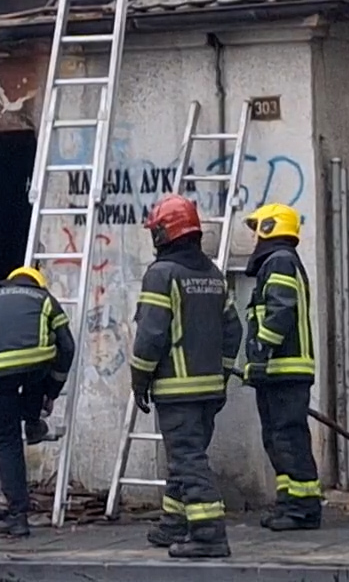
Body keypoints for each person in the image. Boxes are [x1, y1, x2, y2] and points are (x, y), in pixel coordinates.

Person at [130, 194, 243, 558]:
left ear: (165, 234)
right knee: (186, 456)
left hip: (176, 390)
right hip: (209, 389)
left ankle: (208, 534)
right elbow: (234, 330)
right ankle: (175, 524)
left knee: (187, 460)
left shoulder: (162, 274)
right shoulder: (213, 275)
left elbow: (150, 336)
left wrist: (139, 379)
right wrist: (222, 374)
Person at [0, 264, 76, 538]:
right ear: (37, 283)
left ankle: (18, 518)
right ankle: (33, 421)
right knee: (36, 370)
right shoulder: (45, 299)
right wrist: (51, 392)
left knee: (6, 442)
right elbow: (67, 347)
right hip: (35, 369)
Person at [241, 202, 323, 531]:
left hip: (284, 370)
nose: (253, 238)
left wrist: (261, 350)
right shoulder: (280, 261)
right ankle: (290, 503)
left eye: (257, 229)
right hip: (279, 371)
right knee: (278, 439)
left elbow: (280, 310)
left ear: (269, 228)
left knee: (288, 439)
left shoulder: (279, 261)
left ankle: (302, 508)